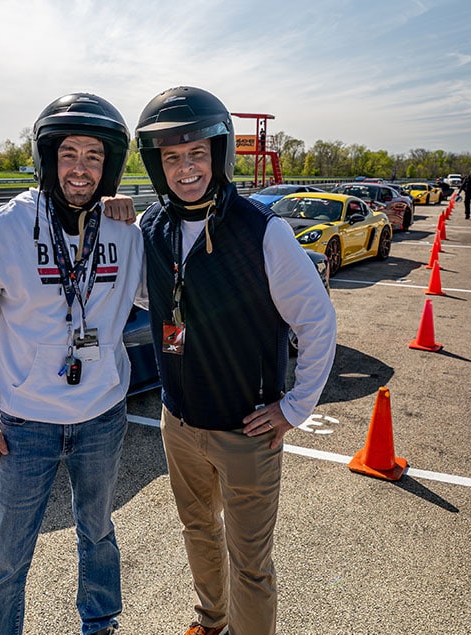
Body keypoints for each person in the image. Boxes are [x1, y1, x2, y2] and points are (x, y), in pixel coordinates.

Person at [135, 86, 337, 635]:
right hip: (179, 423)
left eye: (196, 153)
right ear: (157, 164)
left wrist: (295, 408)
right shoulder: (151, 230)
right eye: (171, 157)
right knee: (198, 533)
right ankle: (211, 619)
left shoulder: (262, 231)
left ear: (218, 155)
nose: (185, 169)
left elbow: (317, 321)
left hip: (246, 430)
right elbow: (141, 298)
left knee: (250, 564)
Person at [0, 92, 142, 635]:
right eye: (70, 154)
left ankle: (100, 624)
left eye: (95, 157)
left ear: (110, 167)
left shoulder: (124, 230)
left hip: (102, 415)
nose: (81, 169)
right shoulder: (1, 229)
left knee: (98, 533)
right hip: (26, 423)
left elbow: (168, 293)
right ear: (48, 157)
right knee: (8, 555)